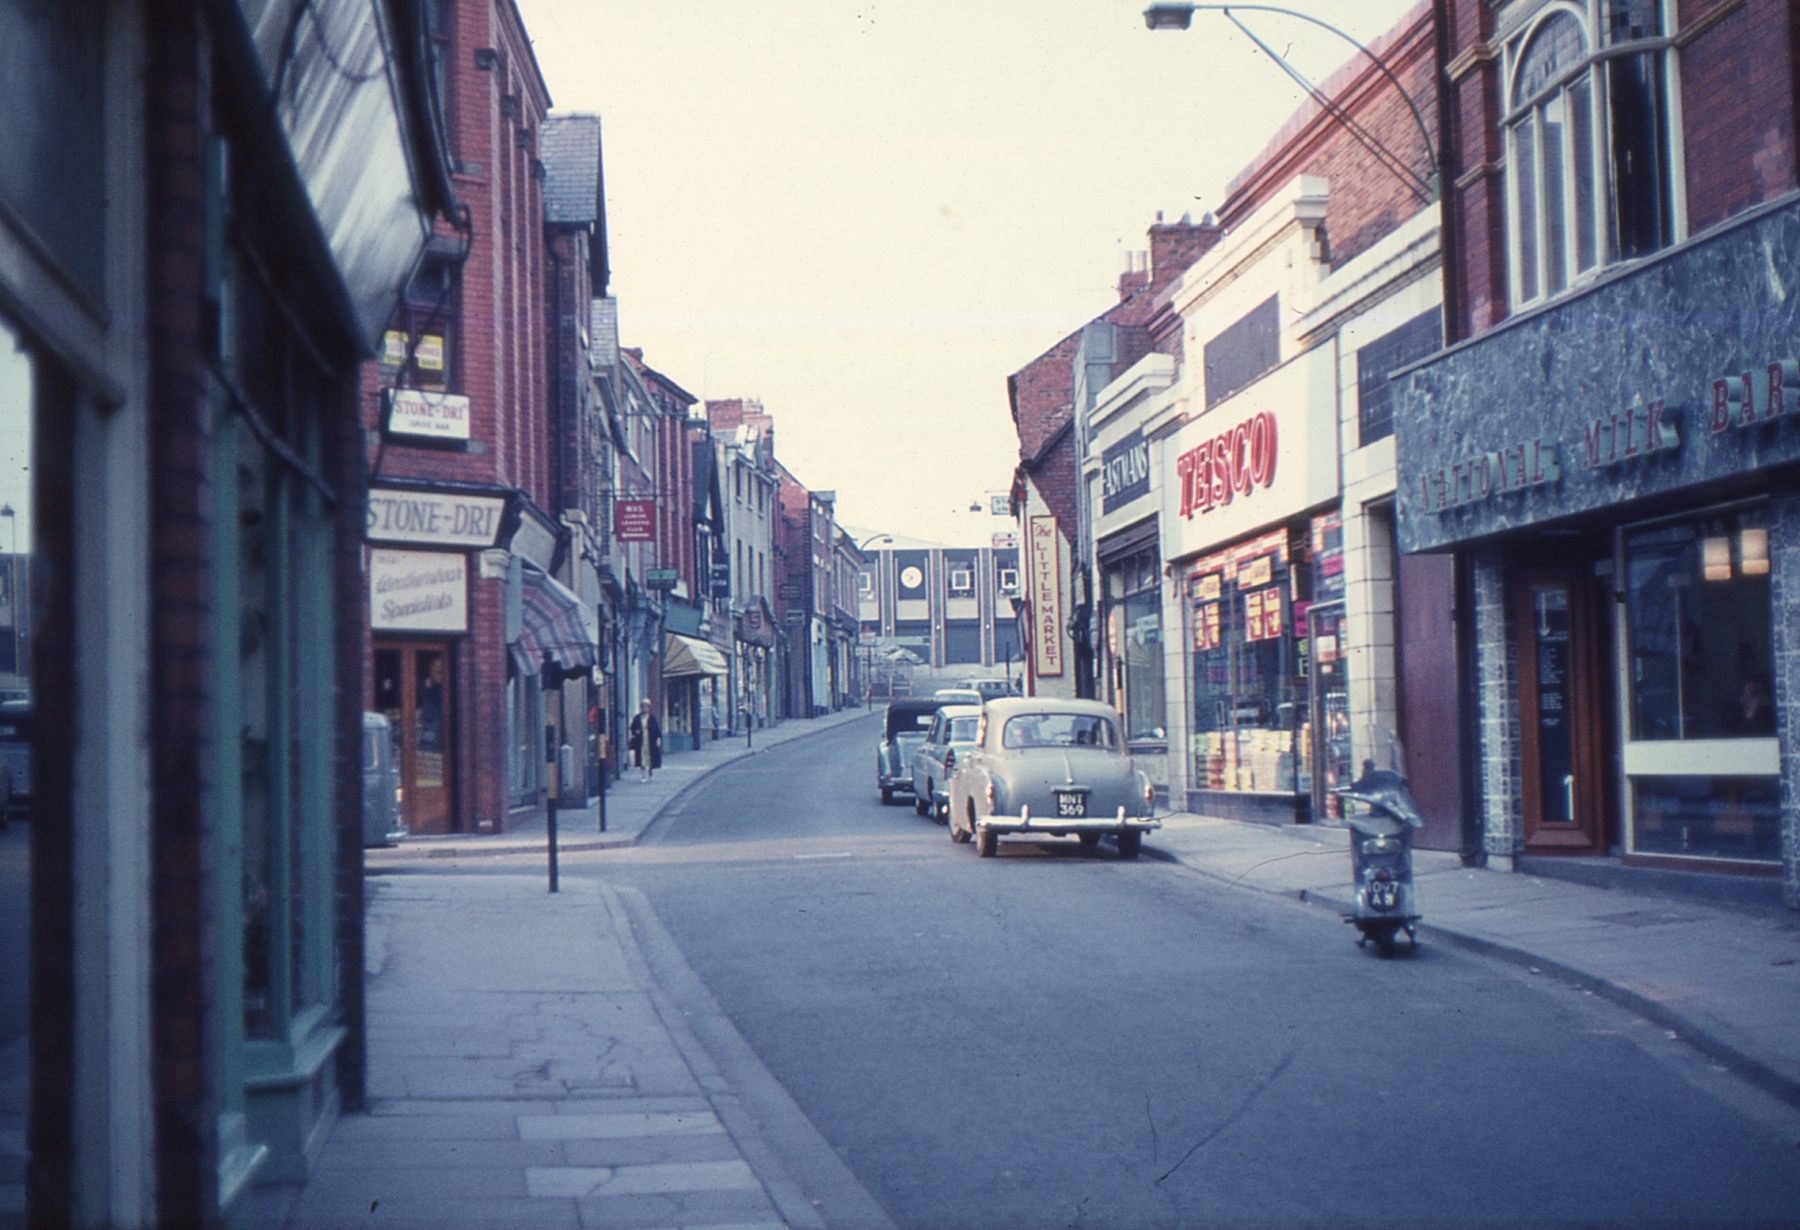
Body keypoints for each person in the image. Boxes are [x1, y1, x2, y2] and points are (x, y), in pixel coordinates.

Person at [628, 699, 662, 781]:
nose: (644, 708)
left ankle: (650, 770)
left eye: (646, 707)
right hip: (641, 740)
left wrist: (658, 739)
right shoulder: (637, 718)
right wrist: (636, 731)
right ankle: (643, 774)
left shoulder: (652, 718)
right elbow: (632, 727)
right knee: (641, 757)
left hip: (650, 740)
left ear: (648, 708)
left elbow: (657, 729)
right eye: (643, 706)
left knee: (650, 756)